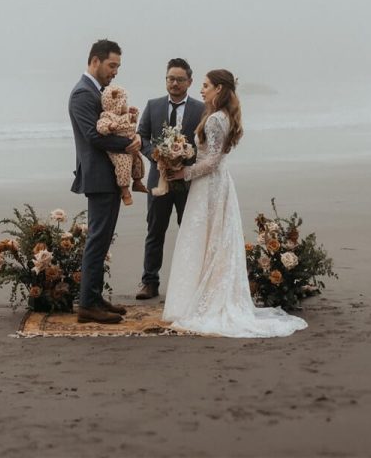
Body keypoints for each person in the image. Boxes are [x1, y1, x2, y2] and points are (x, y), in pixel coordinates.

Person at [162, 68, 306, 338]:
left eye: (205, 85)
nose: (201, 90)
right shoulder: (223, 116)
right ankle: (202, 295)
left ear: (219, 89)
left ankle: (205, 300)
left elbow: (213, 160)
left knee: (207, 238)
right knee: (212, 239)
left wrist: (185, 172)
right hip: (217, 184)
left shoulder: (216, 119)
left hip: (211, 186)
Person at [68, 38, 142, 324]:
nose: (115, 72)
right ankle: (87, 304)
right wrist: (128, 143)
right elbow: (93, 135)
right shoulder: (82, 94)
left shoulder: (98, 92)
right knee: (97, 239)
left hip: (109, 176)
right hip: (98, 176)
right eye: (112, 65)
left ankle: (95, 297)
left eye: (118, 66)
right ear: (95, 61)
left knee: (103, 239)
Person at [134, 58, 205, 300]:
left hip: (188, 181)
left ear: (190, 82)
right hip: (159, 181)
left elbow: (205, 145)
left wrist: (186, 157)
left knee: (190, 231)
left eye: (179, 79)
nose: (174, 83)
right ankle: (149, 281)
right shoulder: (153, 105)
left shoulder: (201, 108)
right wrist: (156, 156)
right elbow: (141, 137)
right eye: (170, 79)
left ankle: (192, 281)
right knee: (155, 230)